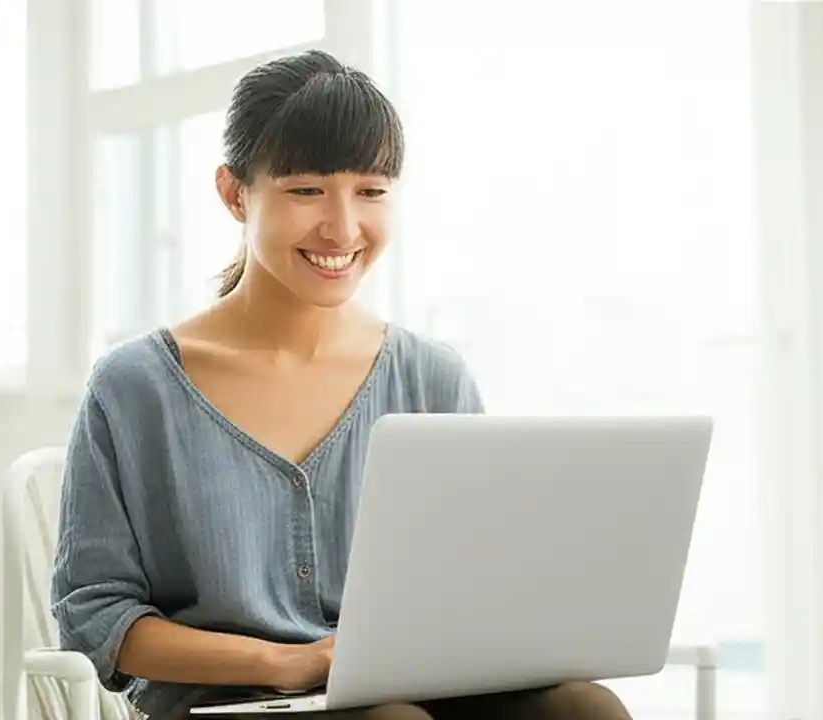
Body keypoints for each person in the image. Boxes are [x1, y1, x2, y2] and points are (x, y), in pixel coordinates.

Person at [49, 49, 632, 720]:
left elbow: (476, 586)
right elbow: (97, 615)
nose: (343, 227)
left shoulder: (433, 380)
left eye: (371, 191)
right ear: (235, 193)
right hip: (224, 704)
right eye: (306, 190)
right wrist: (285, 661)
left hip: (410, 690)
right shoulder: (133, 390)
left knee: (586, 708)